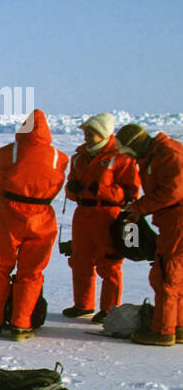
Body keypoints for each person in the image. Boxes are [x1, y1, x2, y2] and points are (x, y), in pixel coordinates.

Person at [0, 109, 69, 340]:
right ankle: (21, 325)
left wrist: (11, 206)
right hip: (42, 217)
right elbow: (57, 186)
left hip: (9, 214)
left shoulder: (8, 152)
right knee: (31, 272)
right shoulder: (60, 157)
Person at [61, 112, 139, 322]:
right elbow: (70, 189)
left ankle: (109, 309)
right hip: (83, 214)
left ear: (103, 133)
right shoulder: (78, 158)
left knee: (110, 262)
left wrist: (102, 190)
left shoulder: (122, 157)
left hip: (108, 216)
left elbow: (131, 193)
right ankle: (83, 305)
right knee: (80, 261)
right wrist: (72, 190)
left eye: (91, 132)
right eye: (85, 131)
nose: (86, 135)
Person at [115, 123, 183, 346]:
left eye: (127, 152)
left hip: (178, 223)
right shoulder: (158, 154)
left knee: (166, 275)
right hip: (172, 221)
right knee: (177, 277)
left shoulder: (168, 155)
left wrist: (141, 207)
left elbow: (173, 191)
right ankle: (178, 326)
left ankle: (162, 331)